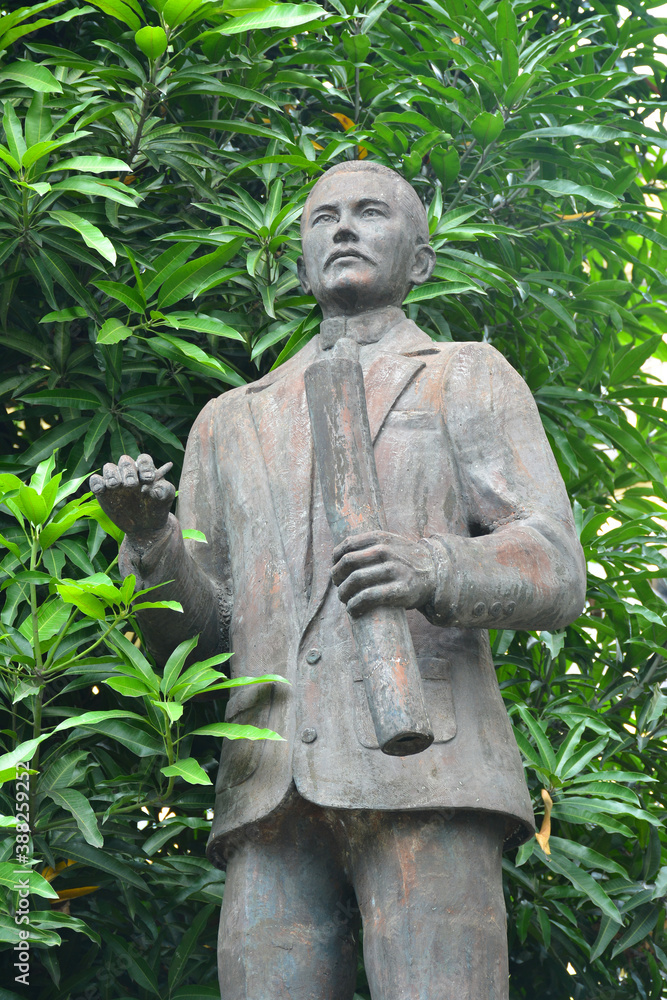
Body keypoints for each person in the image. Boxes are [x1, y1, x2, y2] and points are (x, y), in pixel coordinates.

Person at [91, 161, 586, 1000]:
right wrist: (152, 546)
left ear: (420, 260)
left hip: (429, 768)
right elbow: (207, 633)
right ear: (298, 261)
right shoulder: (232, 416)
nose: (343, 229)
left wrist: (432, 564)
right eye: (323, 218)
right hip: (269, 786)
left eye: (369, 214)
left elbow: (554, 567)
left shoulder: (464, 373)